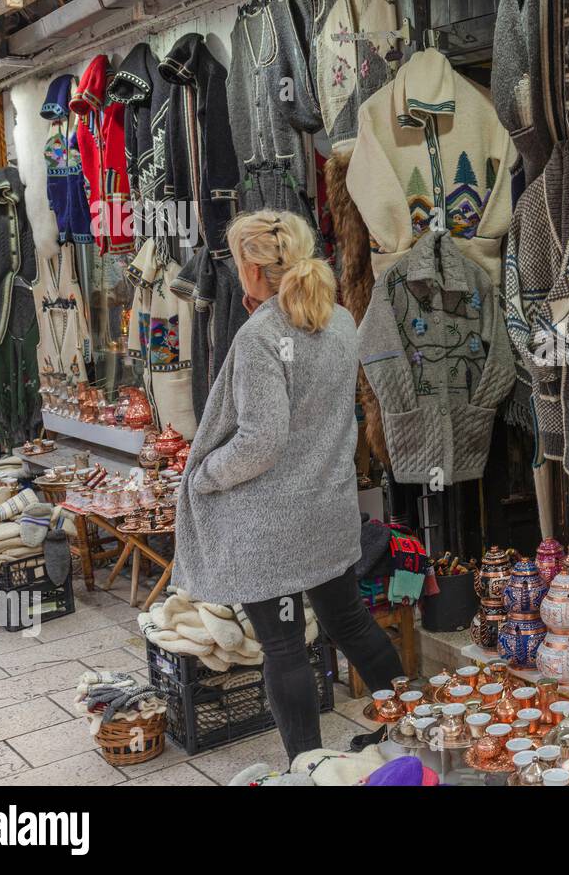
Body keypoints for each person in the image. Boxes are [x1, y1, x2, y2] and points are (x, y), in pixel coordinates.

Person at [173, 210, 403, 761]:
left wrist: (204, 473)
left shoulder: (262, 338)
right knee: (348, 621)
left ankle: (306, 764)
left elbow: (261, 441)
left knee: (282, 645)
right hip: (327, 509)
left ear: (252, 269)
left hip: (270, 524)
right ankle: (414, 728)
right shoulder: (341, 319)